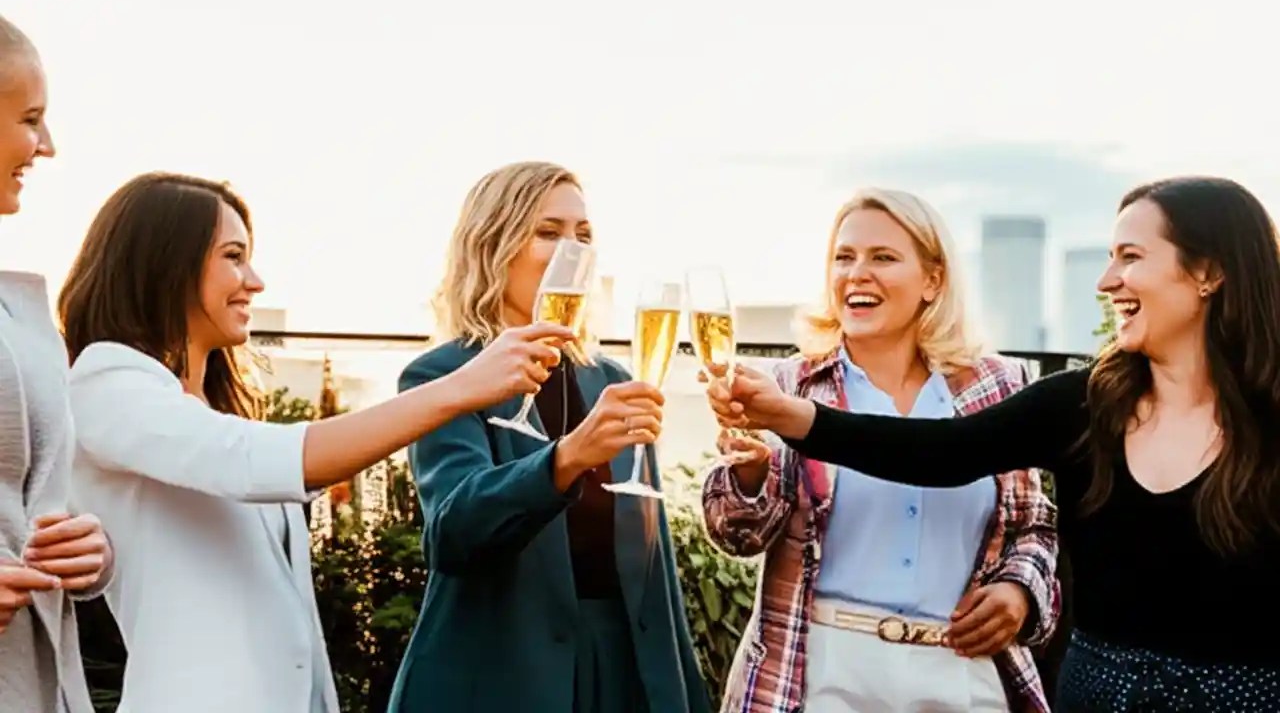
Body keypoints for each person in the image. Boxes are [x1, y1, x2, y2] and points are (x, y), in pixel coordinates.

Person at [707, 176, 1280, 712]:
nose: (1106, 281)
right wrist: (792, 417)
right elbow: (944, 452)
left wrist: (1020, 590)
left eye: (1130, 257)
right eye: (1109, 257)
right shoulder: (1082, 406)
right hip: (1084, 694)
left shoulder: (1267, 424)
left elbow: (1032, 527)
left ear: (1207, 271)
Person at [59, 171, 572, 713]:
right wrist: (462, 387)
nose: (254, 280)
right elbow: (270, 461)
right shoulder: (108, 382)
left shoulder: (218, 414)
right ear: (164, 265)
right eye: (233, 256)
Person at [702, 188, 1058, 713]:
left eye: (883, 257)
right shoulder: (787, 386)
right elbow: (737, 534)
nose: (856, 274)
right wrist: (752, 472)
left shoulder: (998, 385)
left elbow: (1035, 526)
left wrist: (1020, 591)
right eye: (843, 257)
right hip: (822, 672)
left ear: (933, 279)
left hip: (960, 669)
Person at [387, 161, 709, 713]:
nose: (573, 251)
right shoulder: (444, 375)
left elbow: (655, 571)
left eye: (584, 235)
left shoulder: (611, 381)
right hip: (501, 678)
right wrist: (566, 459)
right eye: (548, 232)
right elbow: (454, 534)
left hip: (624, 676)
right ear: (492, 245)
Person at [0, 14, 113, 713]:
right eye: (30, 119)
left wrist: (90, 551)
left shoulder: (23, 314)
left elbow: (42, 501)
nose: (46, 146)